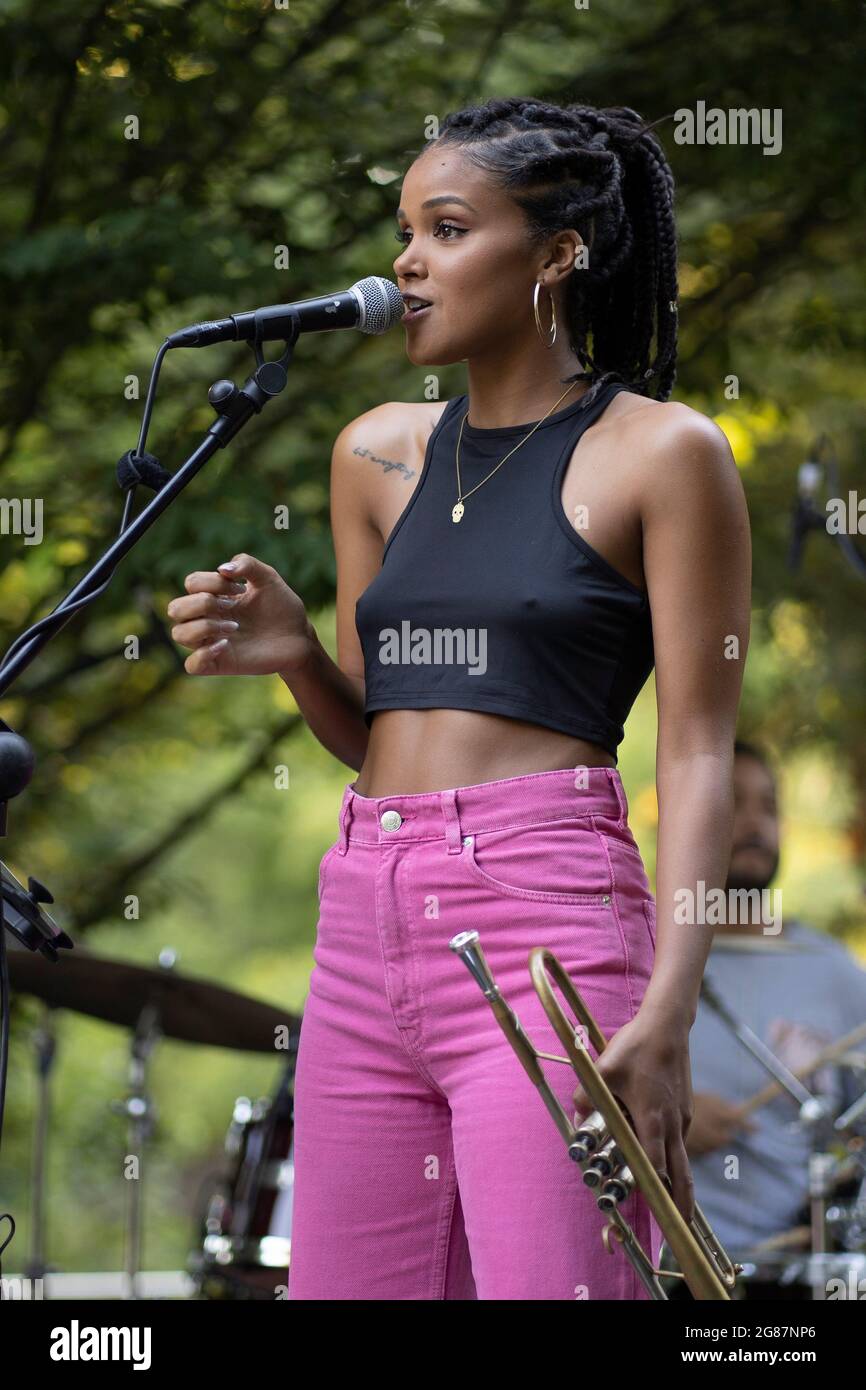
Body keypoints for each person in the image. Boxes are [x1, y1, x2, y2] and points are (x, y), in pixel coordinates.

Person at [166, 97, 751, 1300]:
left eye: (443, 228)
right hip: (361, 921)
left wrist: (671, 1003)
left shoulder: (659, 453)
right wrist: (295, 658)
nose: (405, 262)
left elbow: (695, 751)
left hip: (547, 911)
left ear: (554, 254)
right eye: (404, 232)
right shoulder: (375, 455)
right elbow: (375, 736)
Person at [683, 740, 866, 1295]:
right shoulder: (643, 961)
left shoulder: (835, 972)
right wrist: (664, 1119)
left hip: (793, 1274)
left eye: (769, 806)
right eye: (733, 802)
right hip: (664, 1268)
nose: (756, 824)